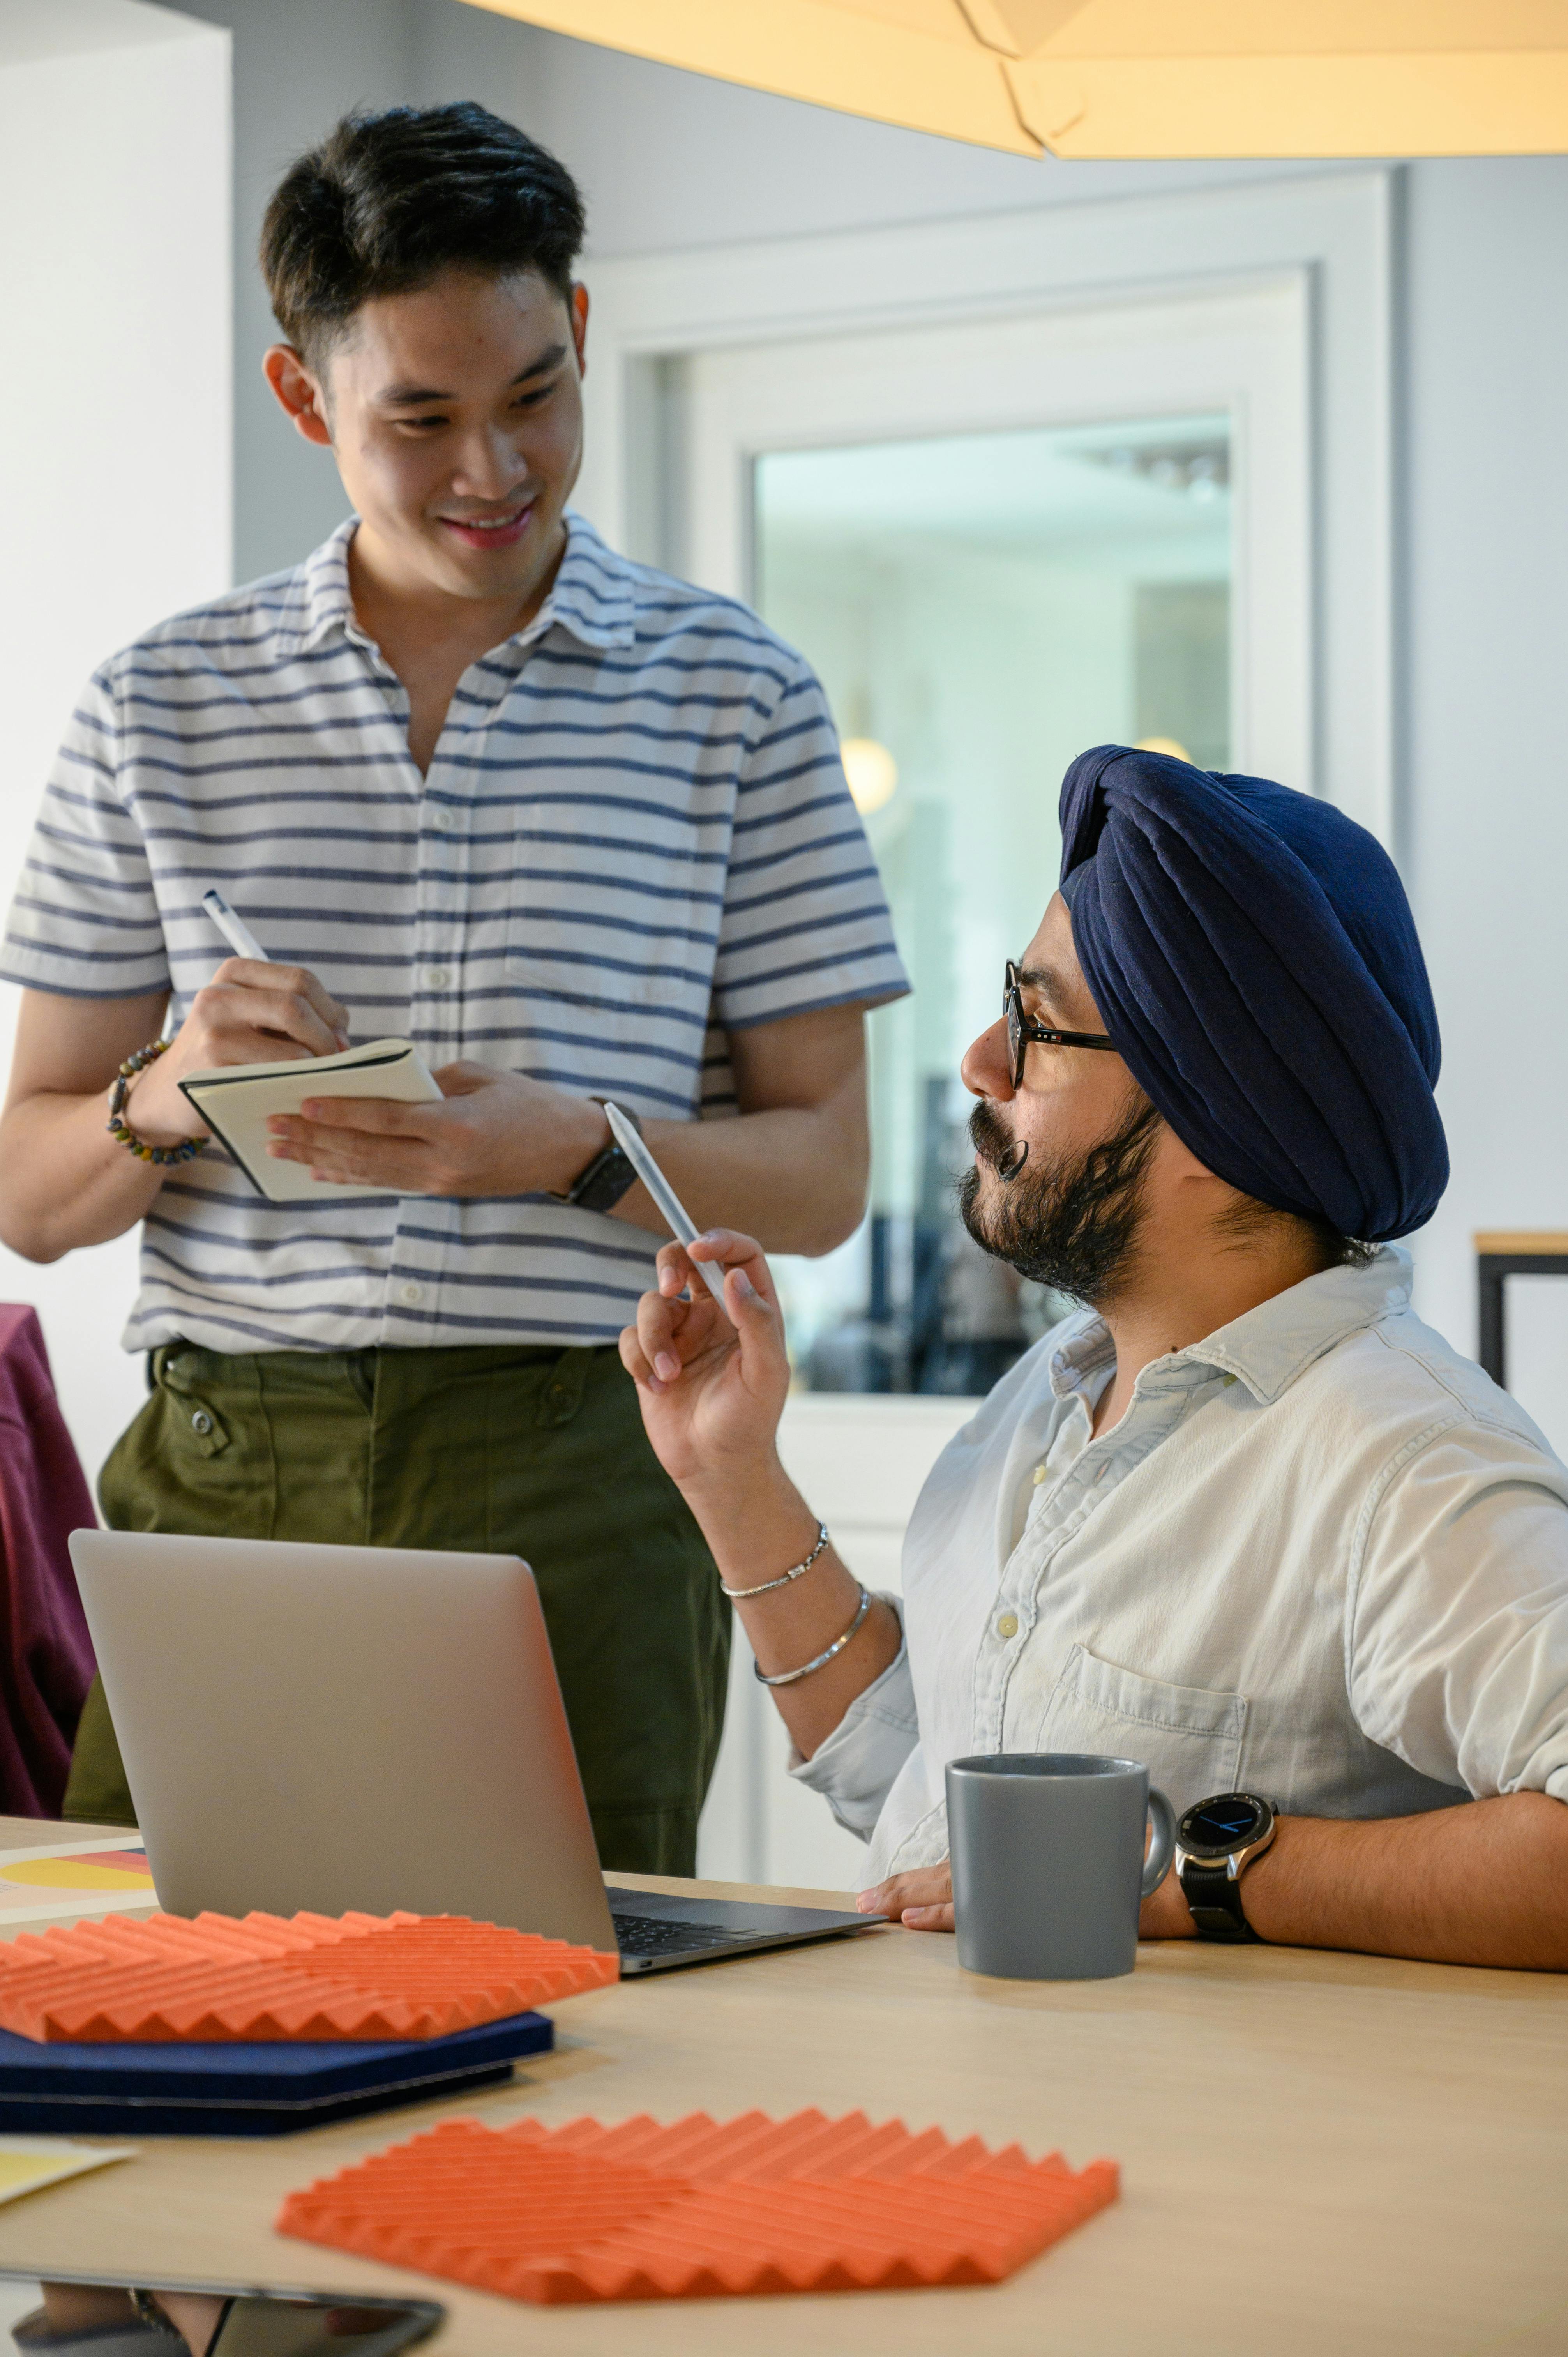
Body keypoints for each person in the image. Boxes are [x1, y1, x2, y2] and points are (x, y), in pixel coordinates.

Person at [0, 103, 907, 1868]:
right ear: (303, 397)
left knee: (583, 2029)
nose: (494, 468)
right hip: (225, 1470)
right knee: (158, 2010)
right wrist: (167, 1094)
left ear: (580, 335)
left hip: (584, 1458)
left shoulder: (741, 701)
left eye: (532, 397)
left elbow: (824, 1175)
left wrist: (573, 1148)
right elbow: (28, 1196)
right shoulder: (154, 706)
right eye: (421, 419)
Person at [620, 744, 1568, 1969]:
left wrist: (1208, 1874)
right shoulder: (1050, 1390)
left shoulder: (1403, 1461)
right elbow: (918, 1787)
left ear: (1219, 1120)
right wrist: (730, 1479)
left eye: (1039, 1022)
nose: (981, 1060)